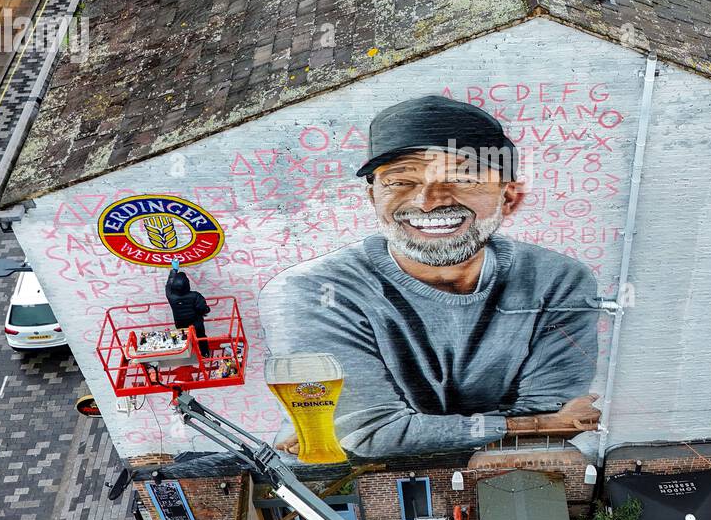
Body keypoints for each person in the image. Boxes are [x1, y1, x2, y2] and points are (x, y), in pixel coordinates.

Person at [259, 94, 602, 459]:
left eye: (461, 178)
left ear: (509, 196)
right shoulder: (311, 290)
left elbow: (553, 419)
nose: (429, 200)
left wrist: (400, 431)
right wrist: (533, 426)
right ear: (372, 196)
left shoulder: (560, 280)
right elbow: (375, 434)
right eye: (400, 181)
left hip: (514, 471)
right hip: (374, 481)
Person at [165, 258, 211, 355]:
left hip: (180, 323)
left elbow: (169, 284)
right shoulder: (195, 295)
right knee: (201, 337)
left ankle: (186, 353)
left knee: (184, 337)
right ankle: (205, 353)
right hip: (196, 323)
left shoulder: (171, 297)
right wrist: (206, 310)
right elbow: (202, 309)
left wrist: (174, 270)